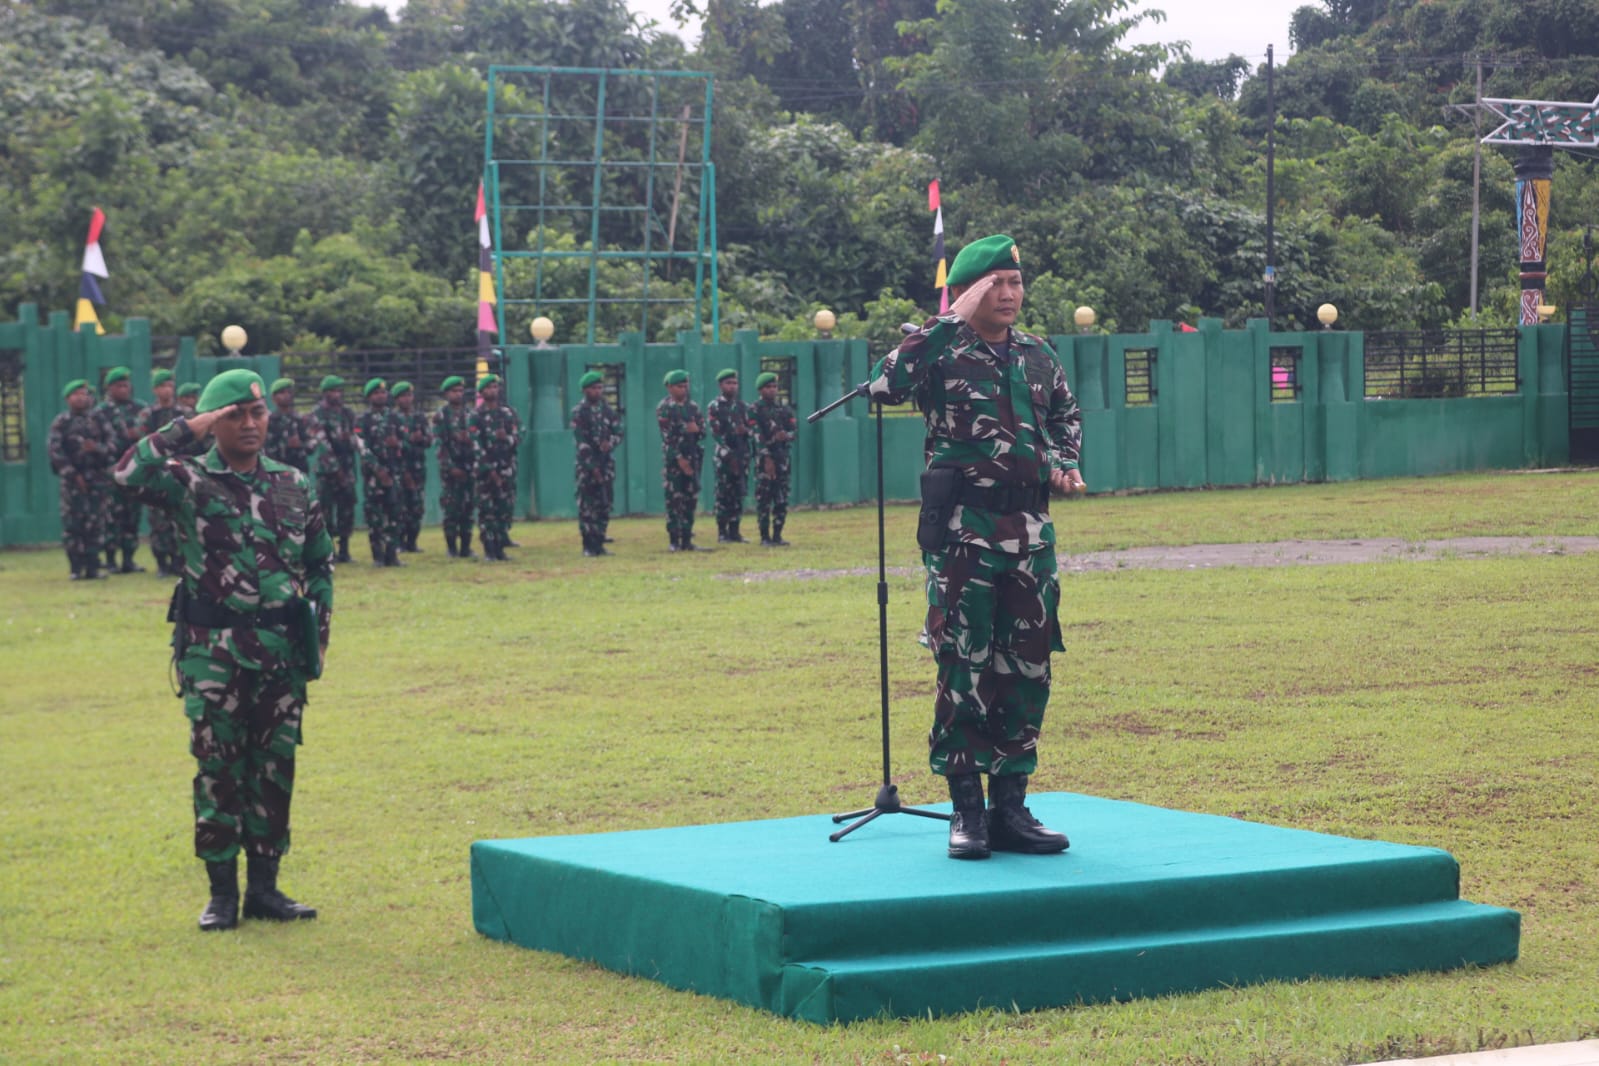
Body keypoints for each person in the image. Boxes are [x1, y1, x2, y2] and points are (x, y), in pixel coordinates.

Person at [866, 233, 1085, 861]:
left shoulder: (1039, 355)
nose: (1011, 294)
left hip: (1030, 532)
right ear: (967, 293)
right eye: (997, 284)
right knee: (963, 663)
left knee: (1028, 664)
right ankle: (966, 809)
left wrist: (1064, 463)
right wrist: (947, 321)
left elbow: (1066, 417)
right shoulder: (941, 351)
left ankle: (1010, 806)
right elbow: (884, 386)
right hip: (965, 534)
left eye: (1017, 283)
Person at [113, 368, 331, 932]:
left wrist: (317, 641)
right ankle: (222, 896)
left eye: (257, 413)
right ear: (214, 422)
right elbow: (126, 472)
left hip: (281, 653)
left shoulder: (292, 482)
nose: (251, 423)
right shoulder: (185, 479)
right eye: (236, 415)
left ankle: (266, 889)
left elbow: (319, 564)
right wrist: (191, 426)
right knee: (218, 770)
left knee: (275, 768)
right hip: (214, 655)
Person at [47, 378, 114, 580]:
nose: (81, 398)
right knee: (73, 525)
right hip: (72, 484)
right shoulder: (61, 422)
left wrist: (97, 448)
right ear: (68, 398)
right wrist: (72, 475)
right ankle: (76, 568)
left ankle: (93, 567)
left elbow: (113, 446)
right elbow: (55, 452)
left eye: (84, 394)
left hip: (97, 481)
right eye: (76, 394)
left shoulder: (99, 420)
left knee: (96, 524)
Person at [95, 365, 147, 573]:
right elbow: (97, 441)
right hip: (109, 472)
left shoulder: (140, 409)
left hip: (134, 470)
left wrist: (139, 436)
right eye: (119, 385)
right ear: (109, 388)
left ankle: (128, 559)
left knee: (132, 515)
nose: (124, 389)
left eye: (126, 385)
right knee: (110, 516)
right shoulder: (100, 412)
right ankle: (110, 559)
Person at [469, 373, 521, 561]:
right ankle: (489, 549)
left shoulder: (507, 414)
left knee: (503, 509)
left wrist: (504, 438)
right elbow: (476, 445)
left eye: (495, 387)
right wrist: (490, 470)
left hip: (506, 469)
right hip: (485, 473)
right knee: (487, 511)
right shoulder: (476, 416)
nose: (493, 390)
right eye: (489, 387)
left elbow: (517, 438)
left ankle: (500, 548)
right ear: (482, 392)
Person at [570, 370, 622, 557]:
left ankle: (599, 542)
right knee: (587, 506)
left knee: (604, 504)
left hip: (606, 463)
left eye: (600, 387)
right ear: (585, 390)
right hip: (587, 467)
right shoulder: (579, 412)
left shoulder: (608, 410)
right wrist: (593, 468)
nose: (598, 391)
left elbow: (619, 431)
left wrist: (611, 442)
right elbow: (581, 442)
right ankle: (588, 545)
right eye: (594, 388)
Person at [137, 370, 184, 576]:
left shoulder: (184, 414)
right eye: (163, 386)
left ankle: (178, 561)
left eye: (170, 385)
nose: (168, 390)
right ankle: (162, 563)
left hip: (180, 472)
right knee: (158, 521)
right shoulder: (148, 415)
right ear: (155, 390)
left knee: (180, 518)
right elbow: (142, 444)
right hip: (156, 473)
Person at [656, 369, 707, 552]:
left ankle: (687, 539)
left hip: (693, 458)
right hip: (675, 463)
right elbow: (667, 437)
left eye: (685, 386)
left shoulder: (692, 407)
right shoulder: (664, 408)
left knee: (690, 500)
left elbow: (703, 431)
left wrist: (696, 430)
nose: (683, 389)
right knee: (674, 500)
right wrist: (679, 459)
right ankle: (674, 541)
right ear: (669, 387)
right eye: (679, 386)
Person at [308, 376, 357, 563]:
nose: (336, 394)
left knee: (347, 510)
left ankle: (345, 549)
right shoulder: (317, 413)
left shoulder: (347, 413)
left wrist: (349, 440)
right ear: (325, 393)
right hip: (326, 471)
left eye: (339, 390)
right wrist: (336, 470)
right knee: (325, 512)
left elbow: (353, 438)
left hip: (347, 467)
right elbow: (322, 444)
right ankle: (329, 552)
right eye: (332, 391)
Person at [357, 378, 404, 567]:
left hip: (394, 474)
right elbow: (362, 447)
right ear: (369, 397)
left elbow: (407, 442)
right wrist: (378, 470)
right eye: (376, 393)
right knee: (375, 516)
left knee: (394, 514)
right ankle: (378, 556)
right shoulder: (363, 420)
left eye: (383, 392)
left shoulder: (395, 418)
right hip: (373, 477)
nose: (381, 396)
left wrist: (398, 444)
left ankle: (392, 555)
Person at [705, 368, 755, 543]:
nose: (732, 386)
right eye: (729, 383)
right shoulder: (715, 406)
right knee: (723, 494)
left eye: (735, 383)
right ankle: (722, 532)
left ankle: (735, 531)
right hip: (724, 457)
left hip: (742, 455)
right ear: (721, 385)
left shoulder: (744, 407)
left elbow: (753, 430)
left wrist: (746, 431)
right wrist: (729, 454)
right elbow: (715, 432)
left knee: (738, 494)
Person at [750, 371, 798, 547]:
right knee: (764, 499)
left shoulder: (784, 409)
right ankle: (764, 537)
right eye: (768, 387)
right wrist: (766, 458)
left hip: (782, 459)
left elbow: (794, 430)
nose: (772, 390)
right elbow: (756, 436)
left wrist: (786, 435)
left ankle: (777, 535)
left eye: (774, 386)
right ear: (760, 389)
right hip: (764, 461)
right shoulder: (755, 409)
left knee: (781, 498)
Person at [432, 375, 476, 558]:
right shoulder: (441, 416)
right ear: (446, 394)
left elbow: (478, 439)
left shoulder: (471, 414)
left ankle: (466, 547)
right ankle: (452, 548)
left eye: (460, 391)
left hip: (469, 468)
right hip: (451, 470)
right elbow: (439, 445)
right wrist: (450, 467)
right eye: (454, 391)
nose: (458, 394)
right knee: (451, 509)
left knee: (468, 508)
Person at [390, 381, 431, 553]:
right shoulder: (392, 418)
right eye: (403, 396)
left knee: (416, 506)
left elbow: (429, 440)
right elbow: (391, 443)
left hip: (418, 468)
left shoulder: (419, 417)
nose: (407, 399)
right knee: (400, 506)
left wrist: (421, 438)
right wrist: (408, 440)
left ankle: (412, 542)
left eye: (409, 395)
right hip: (399, 469)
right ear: (397, 399)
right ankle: (399, 541)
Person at [263, 378, 317, 474]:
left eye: (289, 392)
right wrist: (285, 445)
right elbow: (264, 450)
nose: (286, 396)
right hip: (276, 473)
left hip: (299, 473)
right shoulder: (268, 421)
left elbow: (312, 444)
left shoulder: (301, 419)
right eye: (282, 393)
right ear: (273, 397)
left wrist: (300, 445)